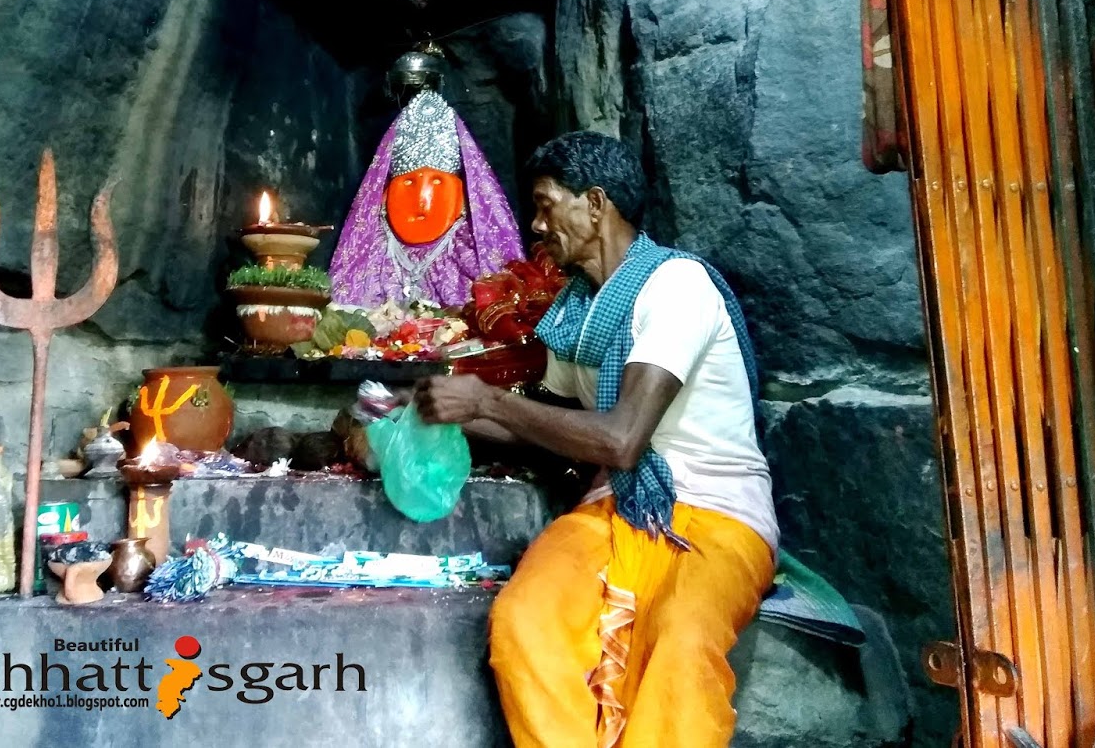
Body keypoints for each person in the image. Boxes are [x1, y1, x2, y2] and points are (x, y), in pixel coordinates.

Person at [414, 130, 777, 748]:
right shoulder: (580, 311)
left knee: (681, 642)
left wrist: (485, 398)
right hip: (612, 511)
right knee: (524, 620)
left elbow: (619, 440)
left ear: (596, 204)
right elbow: (545, 426)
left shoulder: (676, 286)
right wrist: (421, 411)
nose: (535, 224)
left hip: (715, 515)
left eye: (545, 203)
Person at [331, 78, 523, 308]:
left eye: (438, 183)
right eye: (409, 183)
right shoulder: (368, 254)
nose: (422, 200)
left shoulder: (472, 252)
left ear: (464, 197)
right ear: (383, 195)